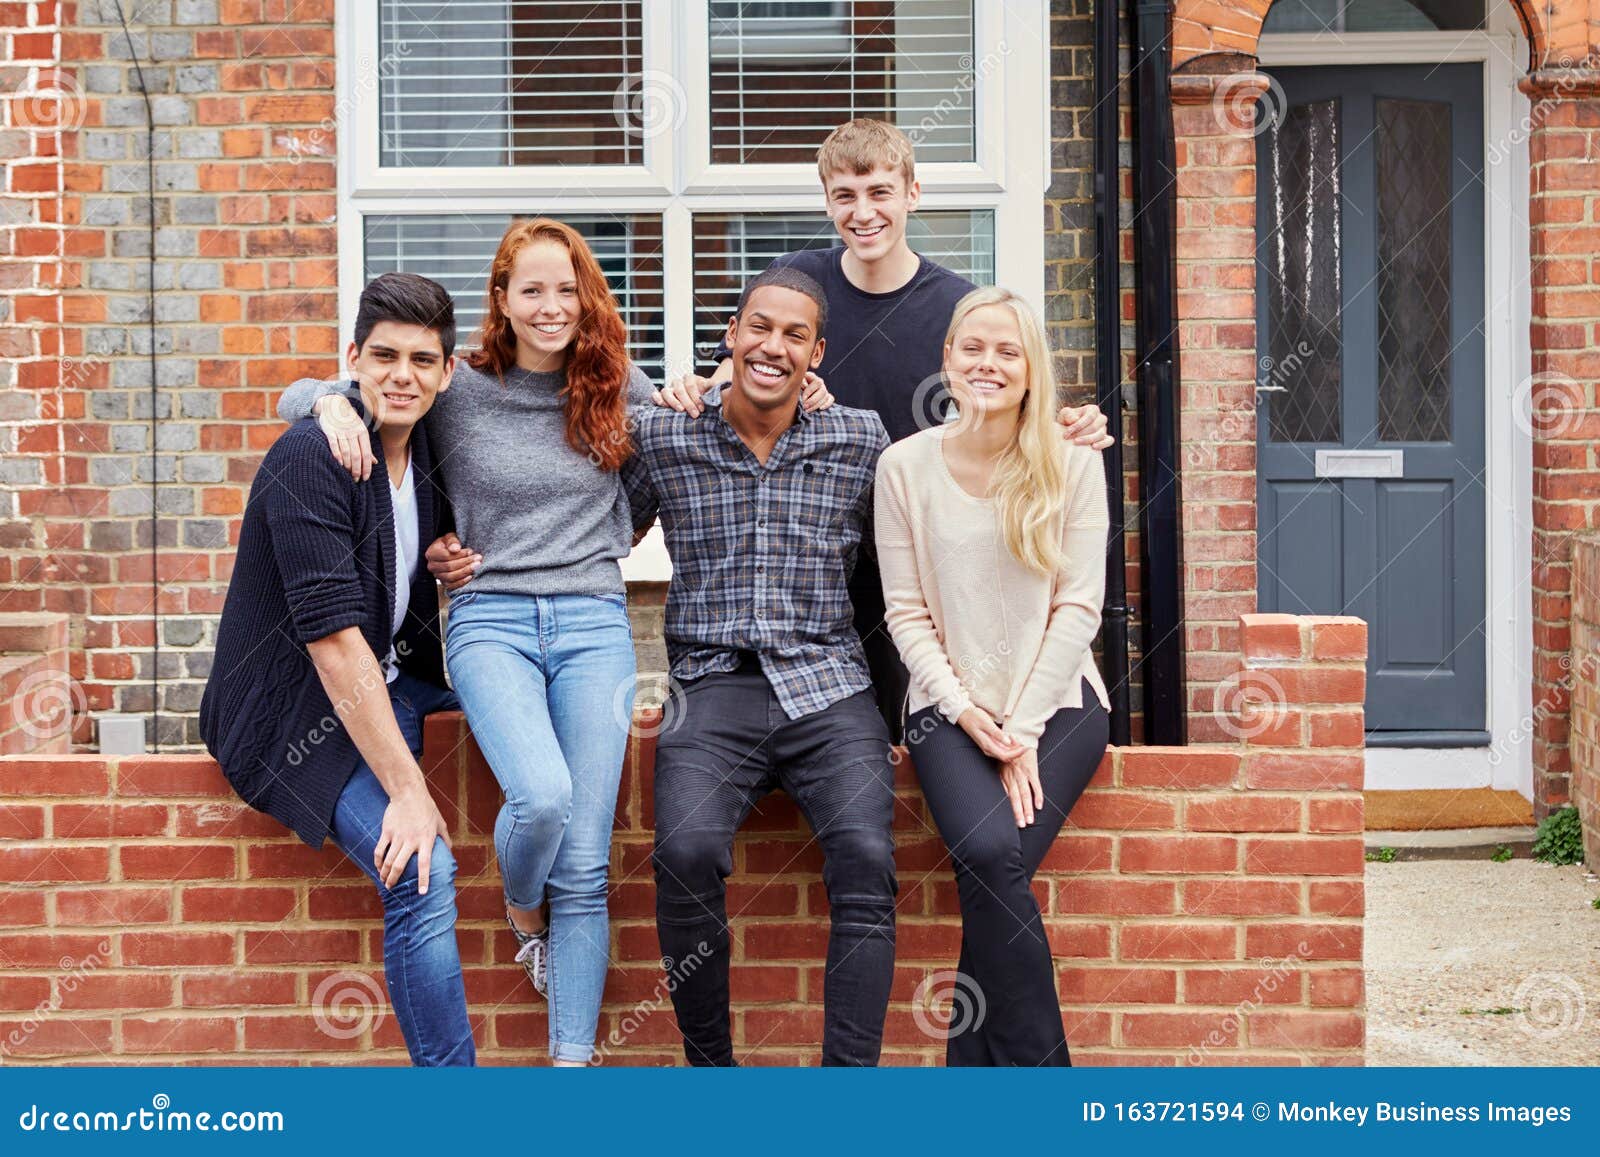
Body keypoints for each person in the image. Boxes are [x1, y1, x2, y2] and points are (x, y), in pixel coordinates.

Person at [274, 220, 773, 1066]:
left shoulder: (622, 386)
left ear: (588, 298)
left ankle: (569, 1073)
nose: (550, 306)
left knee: (585, 865)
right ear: (501, 299)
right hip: (489, 617)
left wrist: (710, 386)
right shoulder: (458, 385)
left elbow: (709, 430)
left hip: (592, 623)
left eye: (566, 288)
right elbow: (298, 395)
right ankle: (519, 909)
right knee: (541, 797)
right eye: (530, 288)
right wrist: (328, 401)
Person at [655, 118, 1113, 742]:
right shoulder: (797, 279)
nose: (863, 212)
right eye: (845, 196)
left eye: (879, 193)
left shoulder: (958, 304)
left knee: (909, 743)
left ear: (912, 194)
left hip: (920, 569)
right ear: (827, 201)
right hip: (813, 567)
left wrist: (1064, 422)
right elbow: (738, 373)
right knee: (828, 750)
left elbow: (1004, 398)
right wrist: (693, 385)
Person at [622, 266, 897, 1066]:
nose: (772, 346)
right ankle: (713, 1072)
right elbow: (591, 523)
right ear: (731, 336)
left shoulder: (859, 439)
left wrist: (1062, 430)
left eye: (794, 335)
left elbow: (948, 505)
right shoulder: (667, 434)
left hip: (830, 687)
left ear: (818, 353)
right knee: (685, 851)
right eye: (759, 327)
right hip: (711, 687)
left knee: (869, 858)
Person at [200, 272, 473, 1066]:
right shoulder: (313, 456)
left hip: (390, 684)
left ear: (446, 373)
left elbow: (556, 369)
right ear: (351, 358)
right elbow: (332, 643)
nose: (403, 374)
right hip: (289, 715)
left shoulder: (427, 449)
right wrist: (410, 793)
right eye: (383, 355)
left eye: (424, 360)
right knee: (423, 873)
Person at [874, 287, 1112, 1066]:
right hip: (946, 705)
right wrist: (964, 708)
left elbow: (1079, 608)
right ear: (947, 358)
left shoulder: (1072, 463)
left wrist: (1023, 731)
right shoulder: (904, 466)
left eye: (1008, 351)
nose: (988, 363)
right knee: (989, 856)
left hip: (1061, 702)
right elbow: (905, 612)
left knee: (991, 866)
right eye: (973, 347)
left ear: (1032, 368)